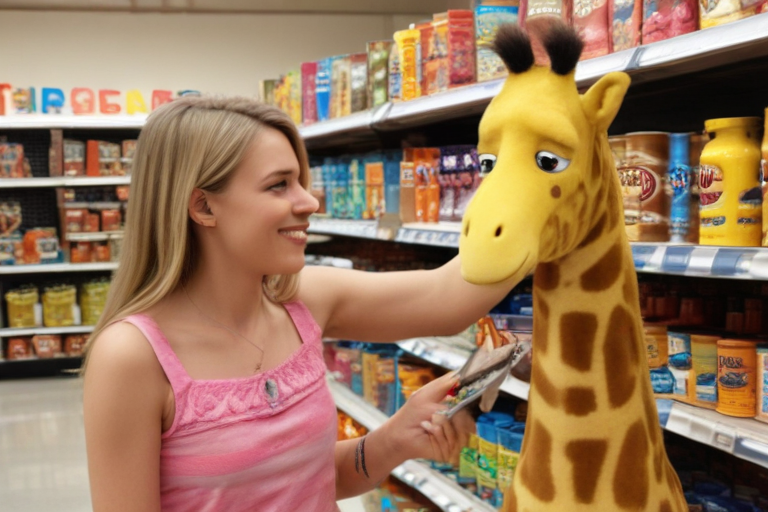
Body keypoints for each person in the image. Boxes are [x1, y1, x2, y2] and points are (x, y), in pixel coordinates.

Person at [82, 96, 516, 512]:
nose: (309, 202)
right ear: (203, 205)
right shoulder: (133, 357)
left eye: (300, 182)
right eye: (279, 185)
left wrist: (395, 437)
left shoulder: (300, 300)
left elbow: (448, 298)